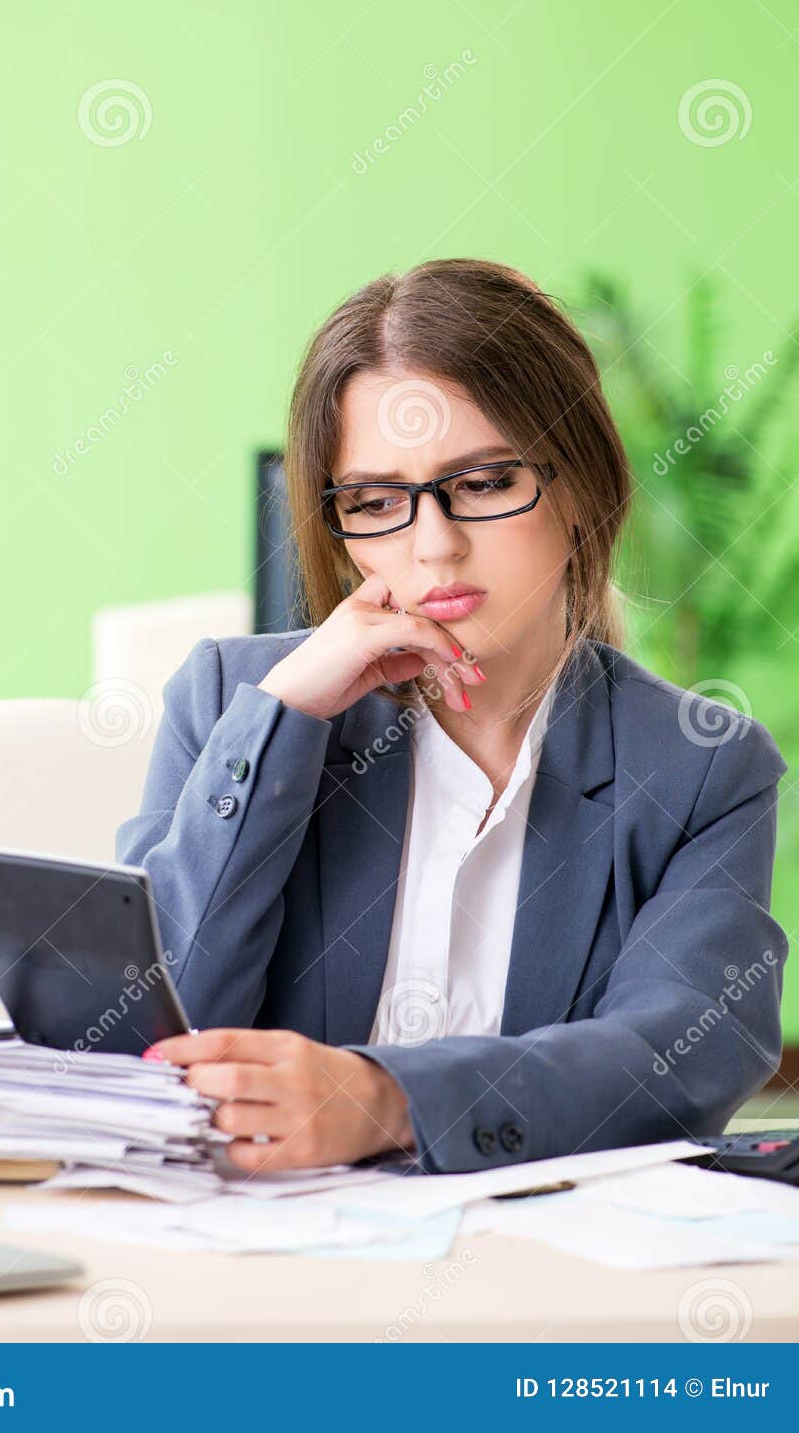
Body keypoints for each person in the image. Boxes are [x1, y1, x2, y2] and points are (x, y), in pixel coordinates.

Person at [115, 257, 789, 1175]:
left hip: (527, 1269)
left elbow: (678, 1056)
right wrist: (284, 723)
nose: (434, 544)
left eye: (480, 483)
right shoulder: (237, 704)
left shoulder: (698, 766)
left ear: (583, 483)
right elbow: (150, 1034)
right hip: (251, 1249)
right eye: (376, 501)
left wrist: (385, 1101)